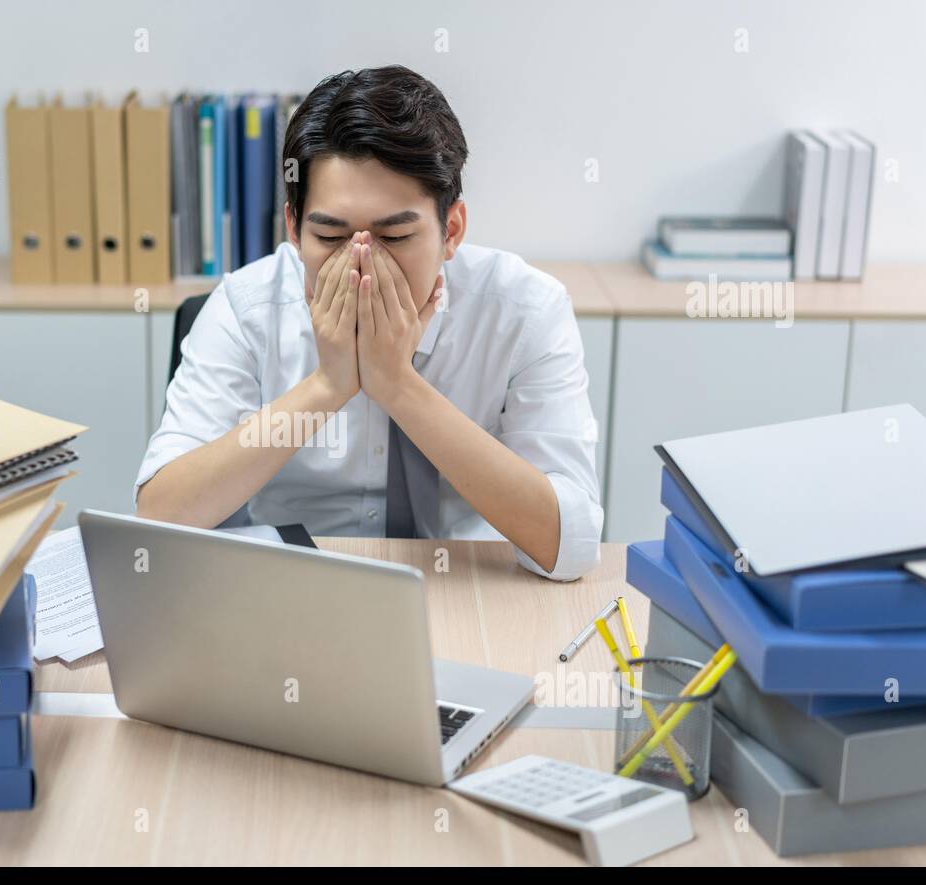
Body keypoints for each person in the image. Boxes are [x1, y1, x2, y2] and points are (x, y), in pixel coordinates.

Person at [135, 65, 602, 581]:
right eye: (331, 237)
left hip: (474, 586)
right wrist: (327, 385)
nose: (361, 266)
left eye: (395, 238)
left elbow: (570, 549)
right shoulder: (246, 308)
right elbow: (161, 516)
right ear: (293, 227)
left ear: (451, 229)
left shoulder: (524, 309)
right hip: (292, 584)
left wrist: (396, 384)